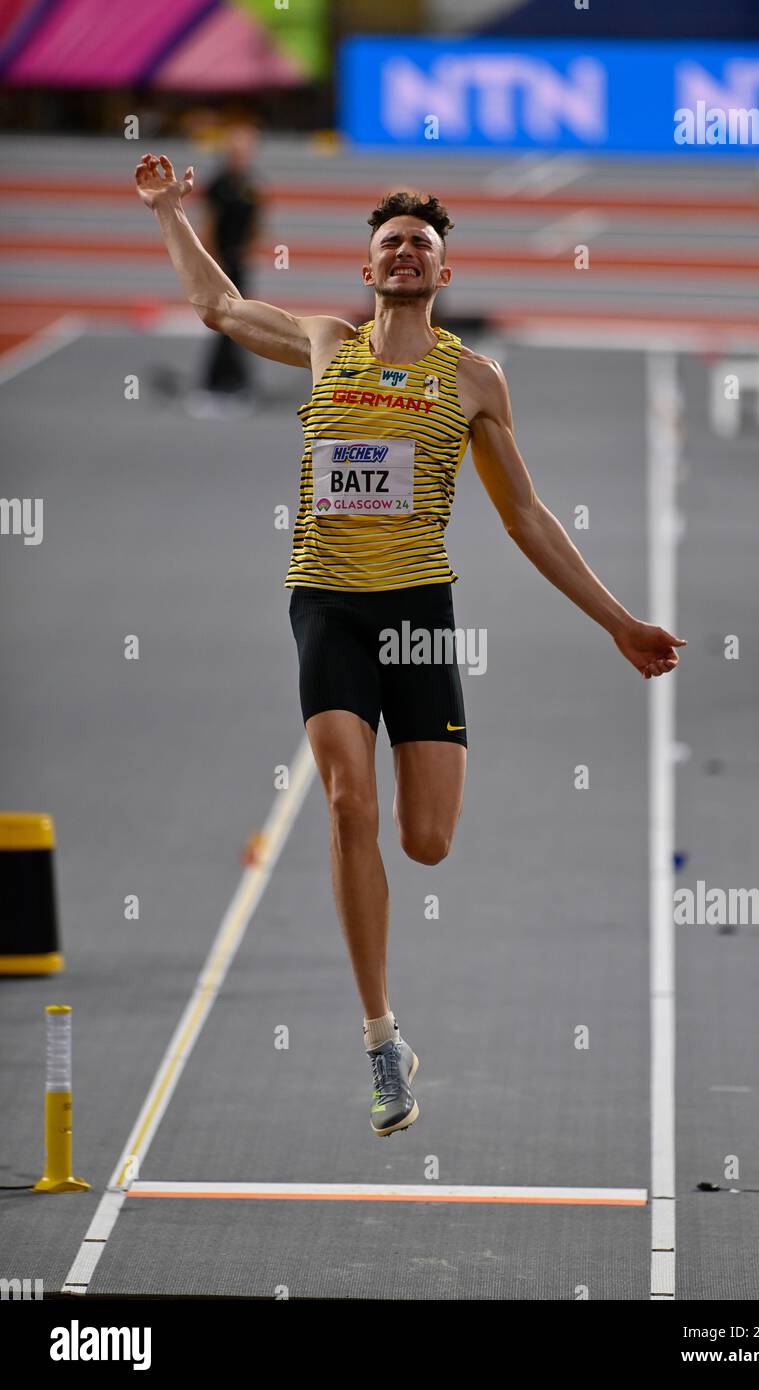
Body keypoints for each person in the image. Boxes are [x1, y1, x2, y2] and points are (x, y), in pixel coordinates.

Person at [135, 153, 686, 1137]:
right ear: (366, 268)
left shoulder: (470, 378)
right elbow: (217, 308)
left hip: (417, 615)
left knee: (423, 840)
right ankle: (380, 1036)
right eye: (387, 242)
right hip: (327, 605)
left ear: (441, 276)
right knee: (347, 799)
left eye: (419, 246)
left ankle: (394, 991)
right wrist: (172, 211)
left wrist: (619, 621)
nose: (401, 253)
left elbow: (526, 519)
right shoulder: (322, 342)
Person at [187, 122, 261, 417]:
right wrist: (210, 266)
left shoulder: (251, 187)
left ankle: (237, 384)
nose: (242, 158)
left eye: (246, 153)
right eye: (237, 152)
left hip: (239, 265)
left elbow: (258, 222)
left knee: (242, 325)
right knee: (223, 325)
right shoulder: (217, 187)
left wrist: (250, 249)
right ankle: (212, 386)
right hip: (220, 265)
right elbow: (208, 227)